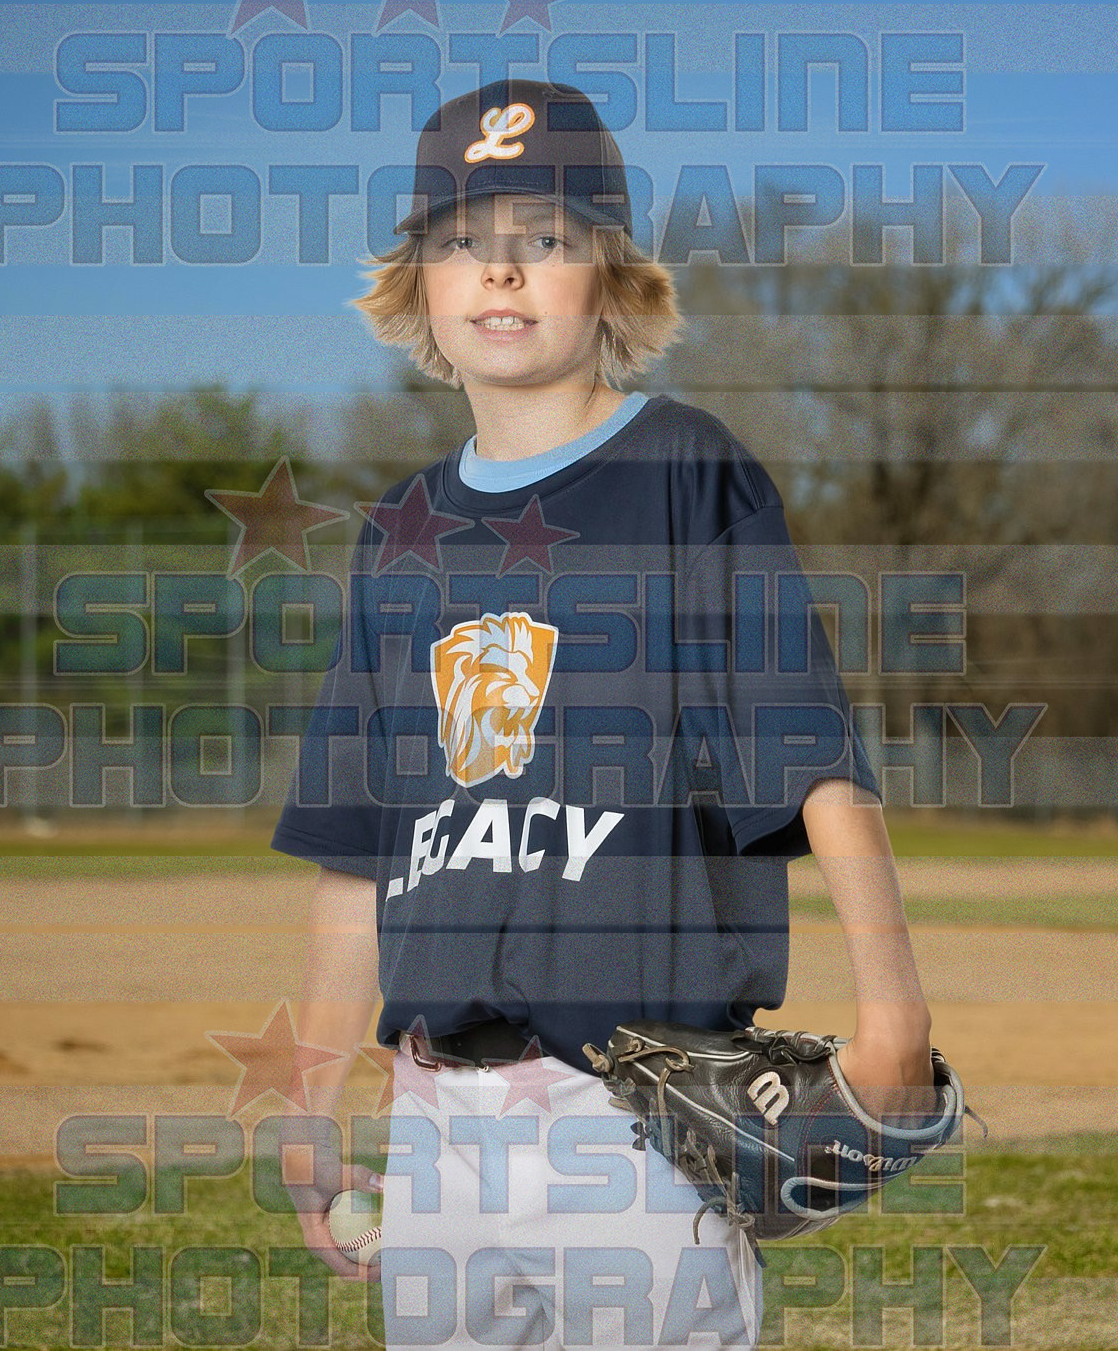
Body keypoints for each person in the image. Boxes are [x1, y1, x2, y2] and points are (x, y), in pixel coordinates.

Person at [271, 78, 935, 1349]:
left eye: (550, 241)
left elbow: (813, 762)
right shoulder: (398, 535)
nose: (503, 274)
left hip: (633, 1110)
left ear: (616, 282)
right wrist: (311, 1097)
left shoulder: (688, 473)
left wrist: (895, 1016)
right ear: (415, 284)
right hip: (436, 1116)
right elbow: (356, 852)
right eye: (463, 241)